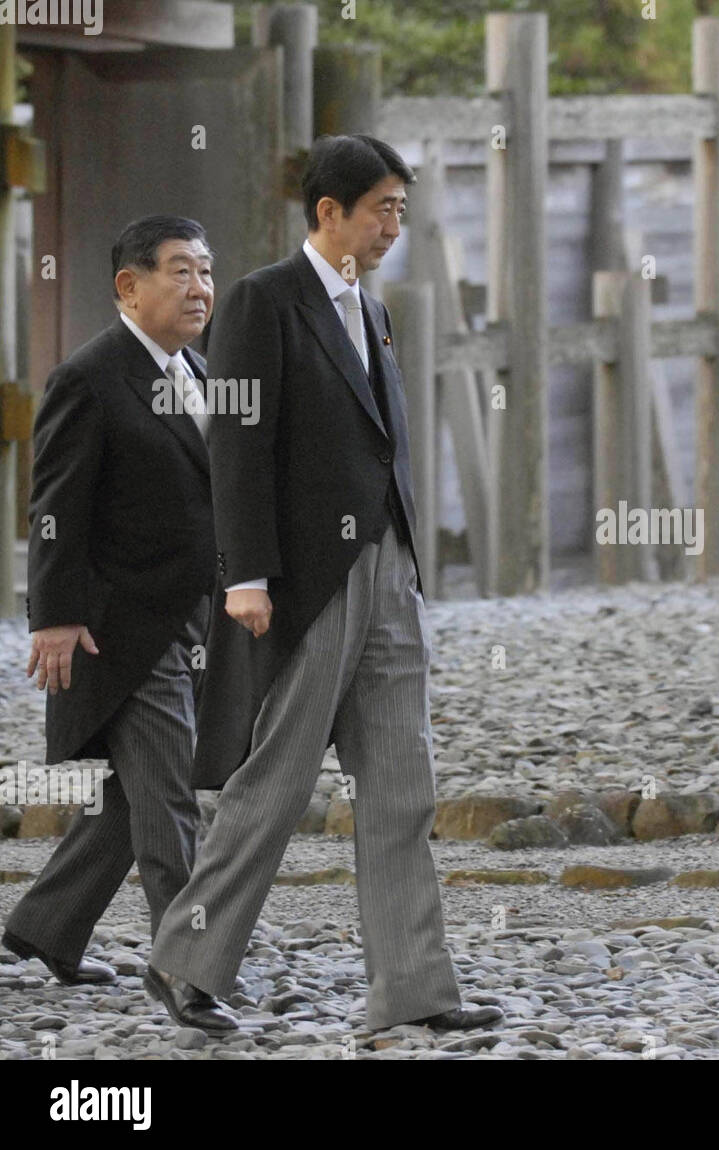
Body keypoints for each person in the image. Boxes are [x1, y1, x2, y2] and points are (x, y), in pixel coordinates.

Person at [145, 135, 500, 1036]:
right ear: (328, 213)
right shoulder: (264, 301)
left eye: (401, 210)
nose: (393, 226)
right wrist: (246, 575)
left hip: (388, 573)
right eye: (379, 208)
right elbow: (236, 446)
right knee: (276, 784)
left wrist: (409, 566)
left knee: (403, 786)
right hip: (303, 583)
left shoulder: (373, 313)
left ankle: (414, 992)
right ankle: (185, 961)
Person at [3, 216, 216, 990]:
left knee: (135, 796)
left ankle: (46, 927)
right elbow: (54, 506)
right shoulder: (89, 377)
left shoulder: (201, 367)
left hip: (192, 619)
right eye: (180, 272)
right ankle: (188, 966)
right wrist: (54, 617)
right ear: (130, 286)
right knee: (168, 799)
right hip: (122, 629)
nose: (199, 288)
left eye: (205, 271)